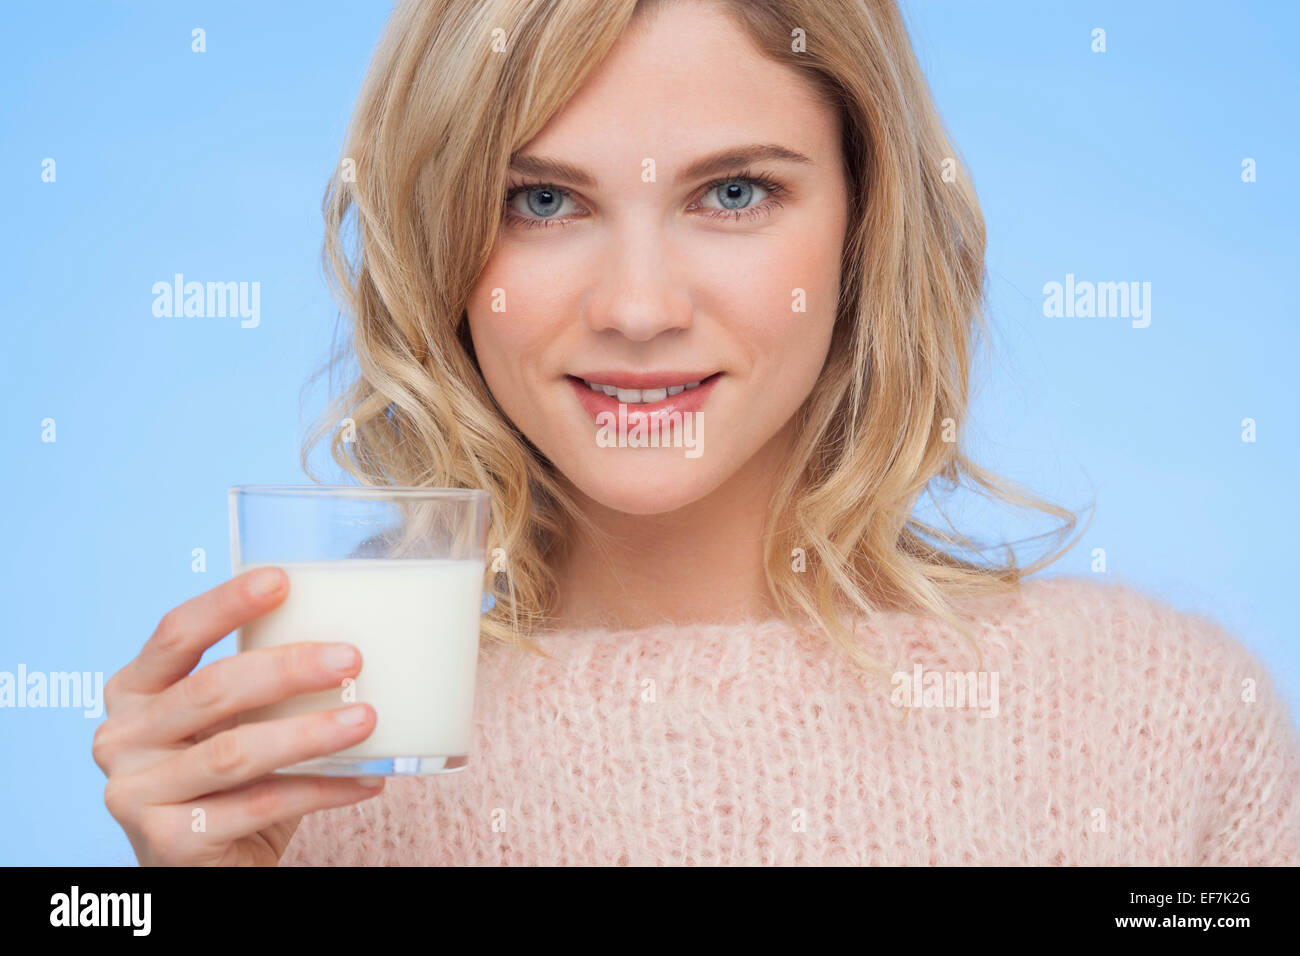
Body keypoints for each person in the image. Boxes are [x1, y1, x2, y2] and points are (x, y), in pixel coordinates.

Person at [96, 0, 1299, 866]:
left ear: (865, 223)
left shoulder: (1165, 722)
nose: (637, 307)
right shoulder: (312, 774)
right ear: (443, 243)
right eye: (543, 199)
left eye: (733, 193)